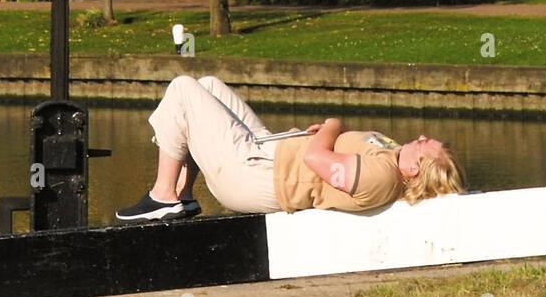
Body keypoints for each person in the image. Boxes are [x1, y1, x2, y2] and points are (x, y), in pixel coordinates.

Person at [115, 74, 465, 220]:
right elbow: (320, 155)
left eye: (423, 145)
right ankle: (184, 195)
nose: (418, 137)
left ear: (415, 169)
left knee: (183, 89)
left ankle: (163, 195)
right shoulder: (389, 157)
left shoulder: (382, 176)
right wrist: (306, 137)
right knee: (207, 86)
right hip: (269, 155)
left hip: (253, 177)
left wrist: (332, 127)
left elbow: (316, 158)